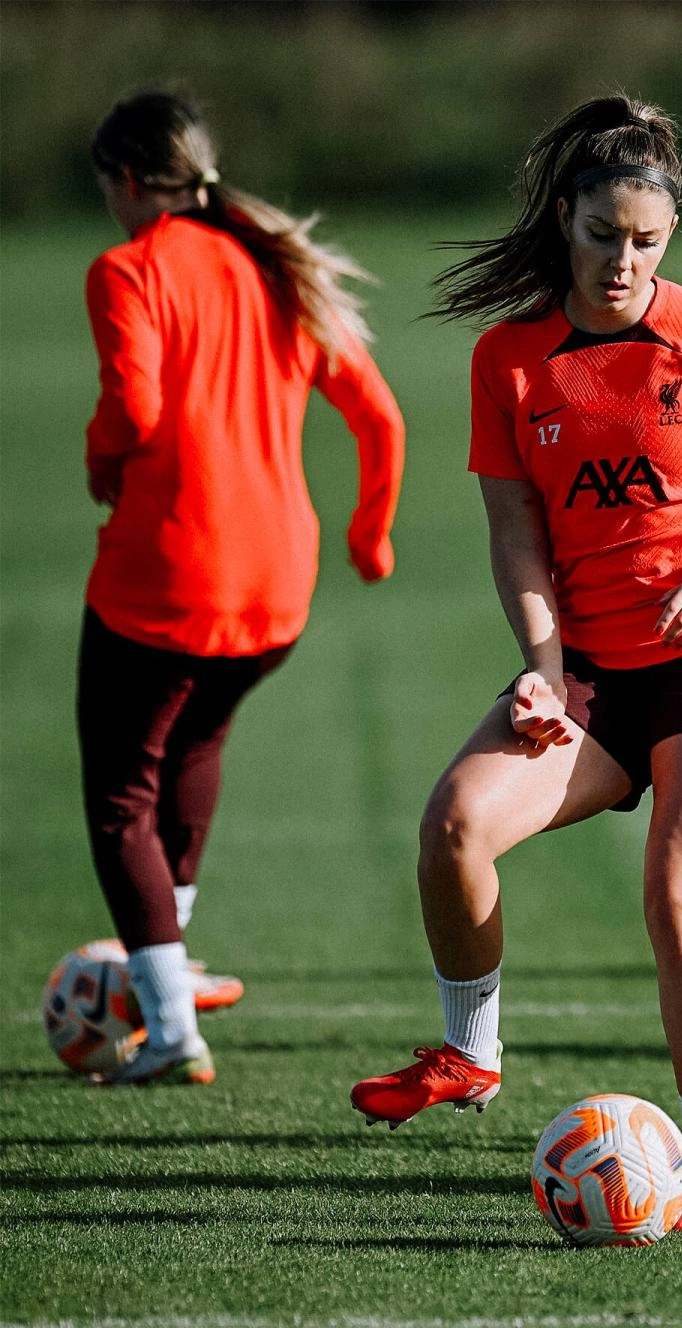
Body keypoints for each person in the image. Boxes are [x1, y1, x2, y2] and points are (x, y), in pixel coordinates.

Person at [350, 95, 682, 1232]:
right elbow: (516, 534)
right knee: (456, 821)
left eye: (648, 240)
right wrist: (544, 670)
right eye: (606, 233)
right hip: (595, 676)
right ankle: (471, 1053)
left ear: (670, 238)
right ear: (567, 218)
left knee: (677, 899)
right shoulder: (511, 359)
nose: (625, 259)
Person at [82, 92, 405, 1086]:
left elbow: (133, 406)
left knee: (119, 797)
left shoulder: (127, 268)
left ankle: (170, 1020)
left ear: (132, 184)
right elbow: (381, 417)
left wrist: (101, 456)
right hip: (278, 585)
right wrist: (370, 533)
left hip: (168, 576)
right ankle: (164, 973)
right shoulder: (274, 267)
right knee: (194, 747)